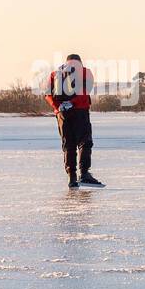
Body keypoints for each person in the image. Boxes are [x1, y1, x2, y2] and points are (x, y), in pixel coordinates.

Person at [44, 53, 104, 188]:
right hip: (80, 111)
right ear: (79, 62)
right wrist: (73, 103)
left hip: (62, 114)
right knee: (84, 141)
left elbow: (47, 95)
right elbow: (85, 92)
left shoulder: (54, 74)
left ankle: (71, 177)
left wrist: (58, 106)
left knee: (68, 143)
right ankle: (84, 174)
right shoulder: (85, 72)